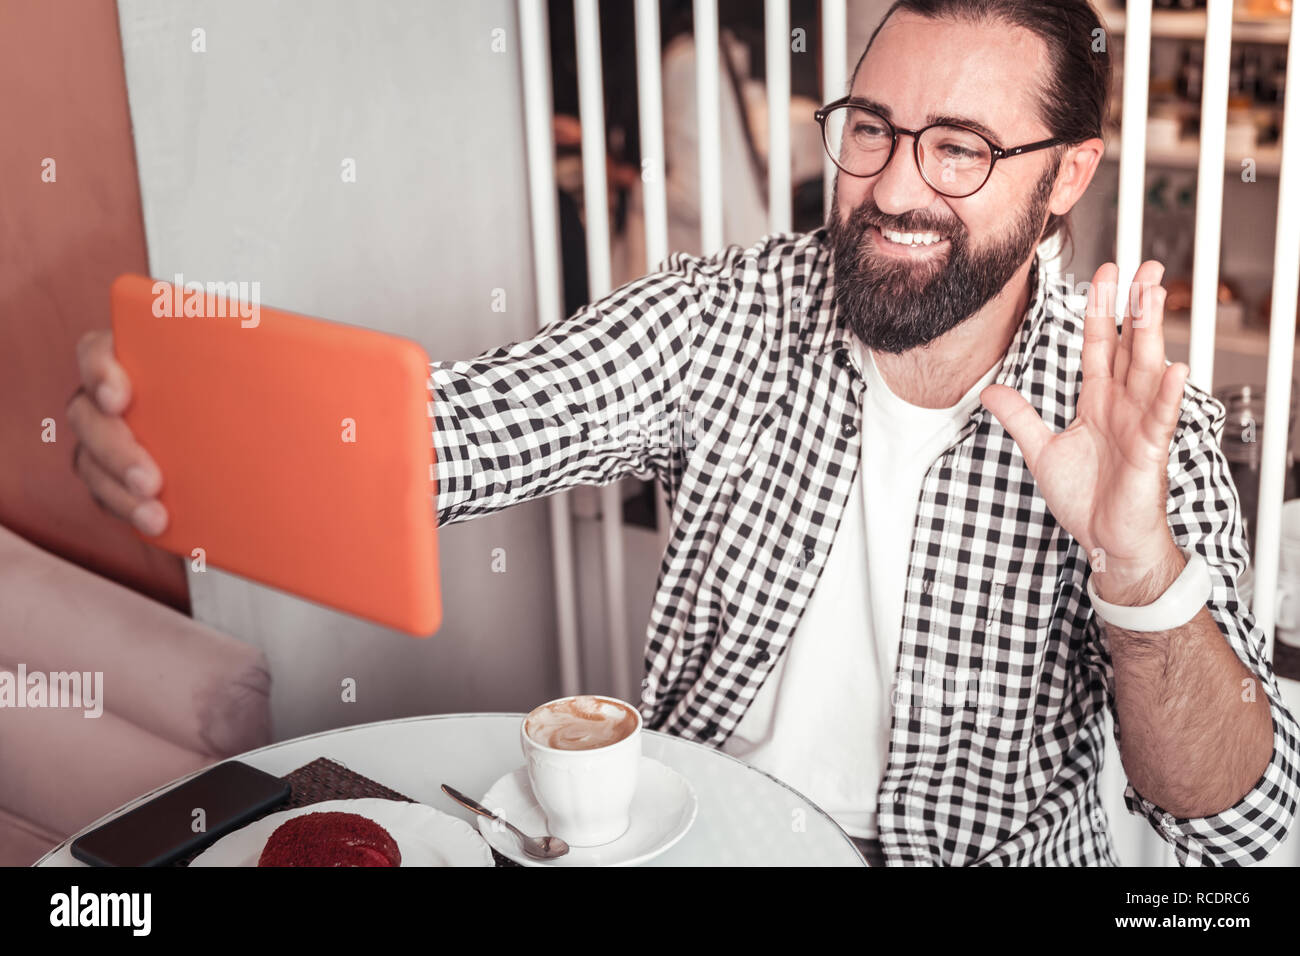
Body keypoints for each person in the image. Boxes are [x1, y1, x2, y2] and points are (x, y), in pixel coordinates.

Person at [68, 0, 1298, 866]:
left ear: (1066, 176)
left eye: (960, 149)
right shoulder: (729, 312)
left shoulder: (1139, 423)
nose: (891, 186)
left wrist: (1136, 568)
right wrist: (181, 432)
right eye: (871, 127)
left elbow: (1238, 822)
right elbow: (458, 428)